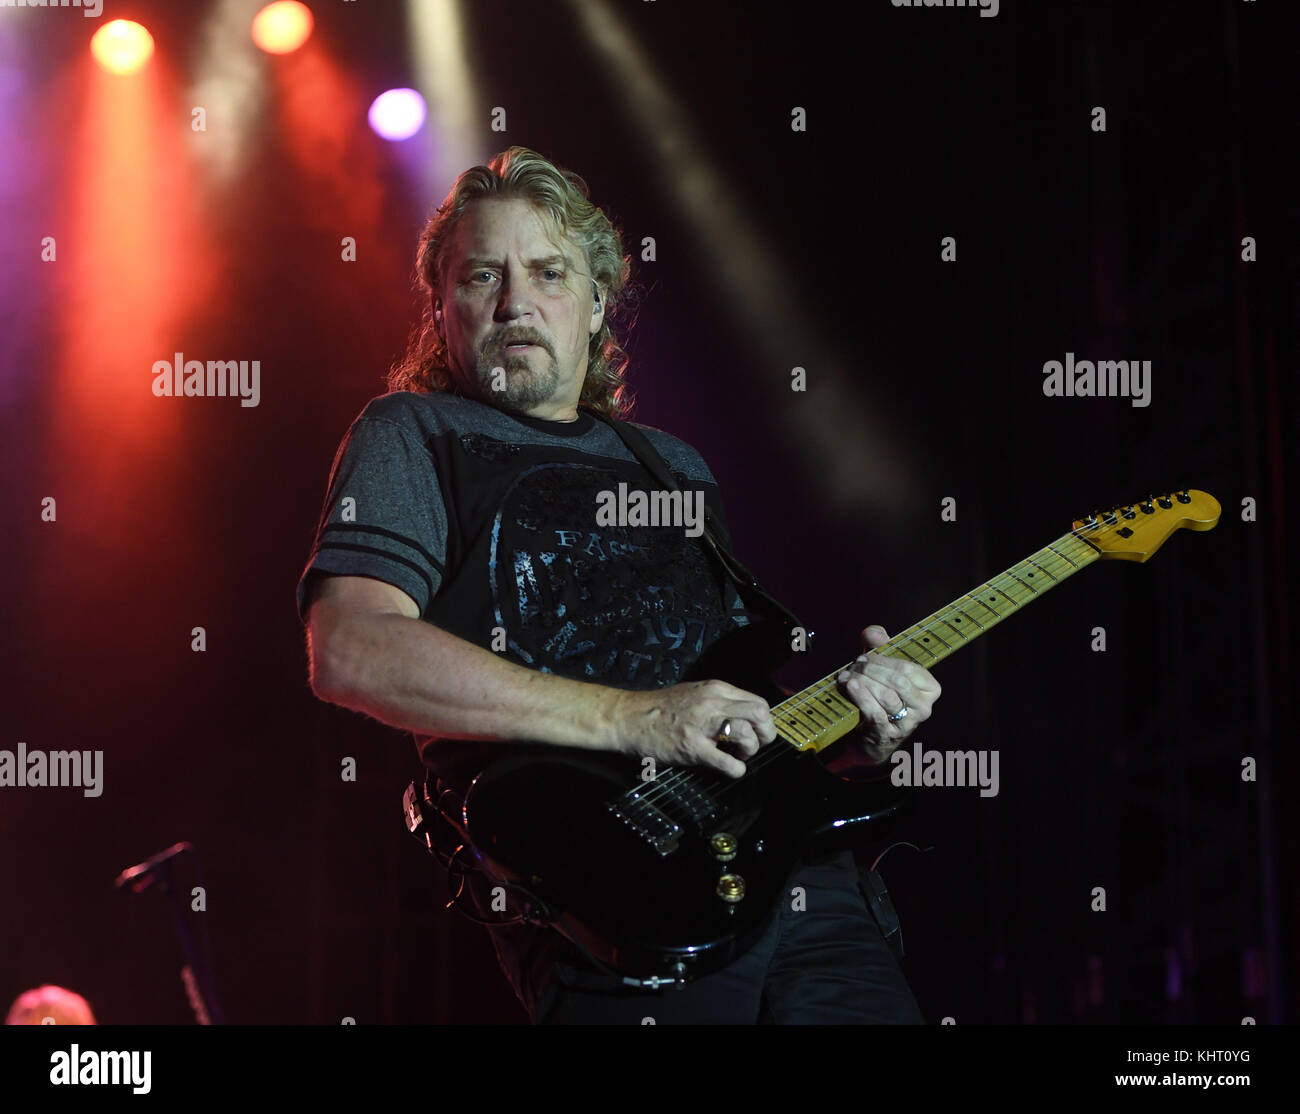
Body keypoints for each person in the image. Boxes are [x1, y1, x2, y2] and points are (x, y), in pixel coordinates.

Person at [296, 146, 942, 1023]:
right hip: (615, 894)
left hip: (801, 882)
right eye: (482, 276)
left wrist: (853, 738)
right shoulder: (411, 432)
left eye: (548, 273)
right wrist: (636, 717)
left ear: (599, 302)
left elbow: (733, 706)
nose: (516, 303)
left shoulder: (673, 466)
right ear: (441, 306)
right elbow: (350, 650)